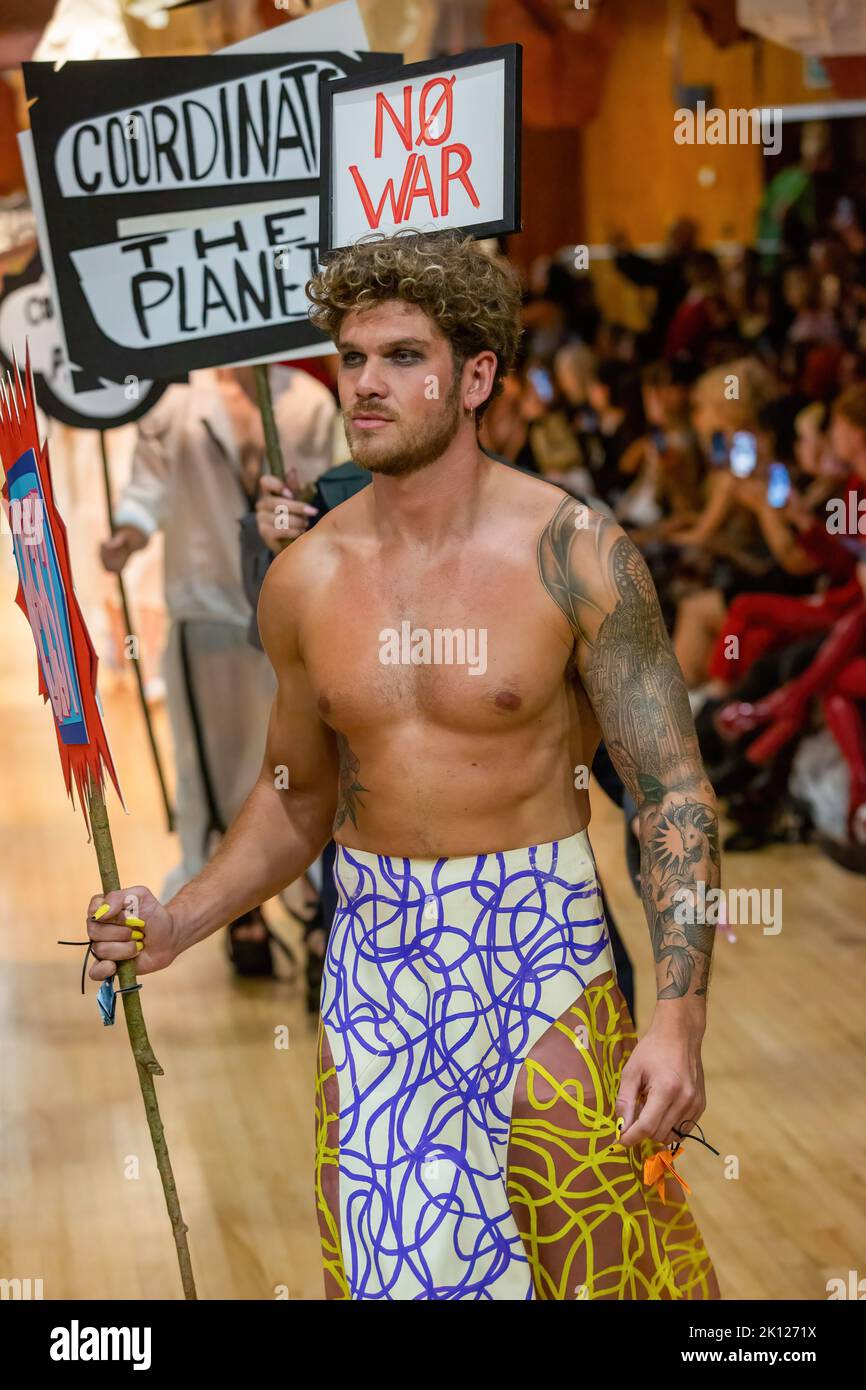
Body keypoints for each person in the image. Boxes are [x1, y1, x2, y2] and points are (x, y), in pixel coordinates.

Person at [85, 231, 720, 1302]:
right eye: (351, 358)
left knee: (599, 1271)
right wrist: (180, 920)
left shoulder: (573, 553)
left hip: (538, 942)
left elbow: (671, 791)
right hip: (374, 960)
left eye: (401, 356)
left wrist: (676, 1016)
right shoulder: (305, 579)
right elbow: (295, 801)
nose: (366, 384)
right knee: (393, 1275)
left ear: (474, 376)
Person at [100, 365, 335, 976]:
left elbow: (330, 492)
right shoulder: (174, 397)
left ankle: (315, 912)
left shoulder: (308, 401)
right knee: (211, 763)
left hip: (292, 613)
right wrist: (128, 533)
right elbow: (148, 485)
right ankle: (243, 920)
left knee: (300, 763)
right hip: (205, 605)